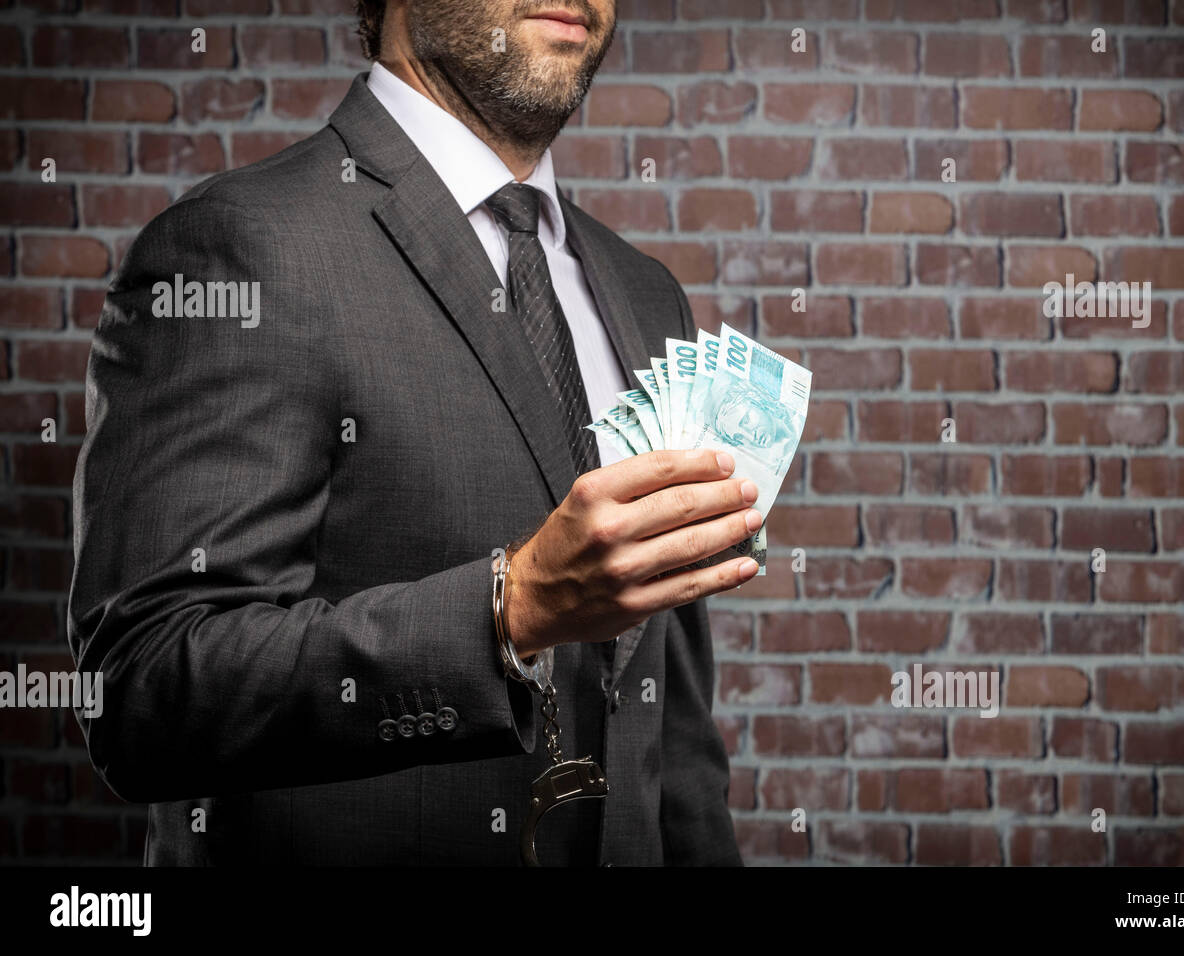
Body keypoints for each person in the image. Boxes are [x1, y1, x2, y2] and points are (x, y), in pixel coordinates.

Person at [67, 0, 760, 866]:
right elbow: (142, 693)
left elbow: (672, 732)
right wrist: (508, 613)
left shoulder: (647, 294)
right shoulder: (241, 248)